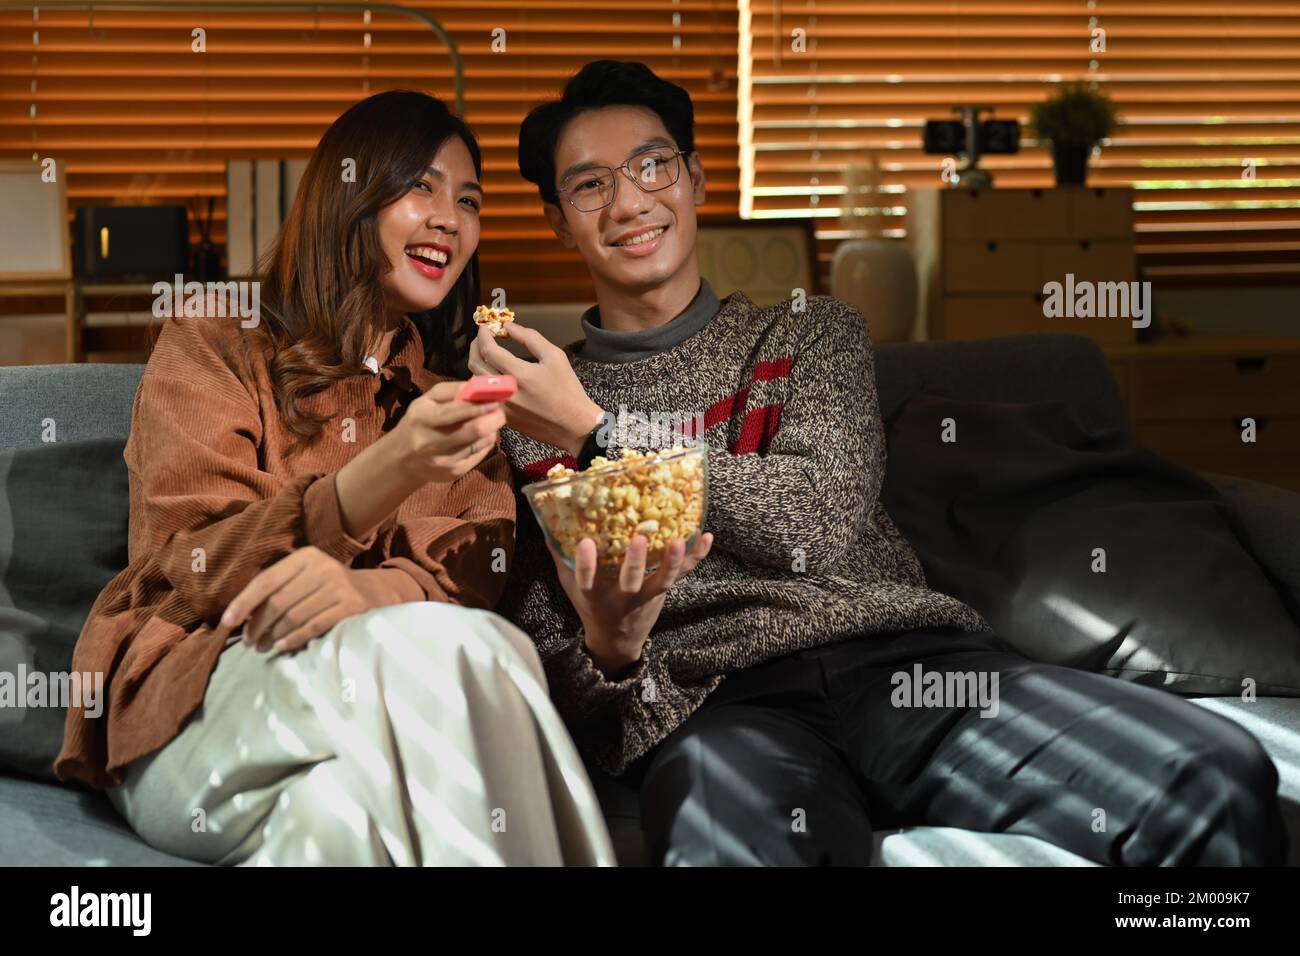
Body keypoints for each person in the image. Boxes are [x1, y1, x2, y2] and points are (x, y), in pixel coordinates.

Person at [468, 60, 1289, 866]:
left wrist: (600, 433)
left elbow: (818, 517)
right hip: (713, 706)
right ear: (557, 220)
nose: (630, 201)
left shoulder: (810, 336)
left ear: (697, 179)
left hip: (909, 668)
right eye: (590, 185)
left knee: (1211, 774)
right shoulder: (524, 412)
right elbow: (543, 654)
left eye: (653, 165)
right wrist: (612, 650)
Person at [54, 90, 615, 867]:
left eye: (470, 200)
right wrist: (381, 477)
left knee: (334, 820)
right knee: (476, 652)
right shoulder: (218, 337)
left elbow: (464, 578)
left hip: (360, 741)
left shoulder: (448, 401)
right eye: (421, 186)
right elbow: (186, 565)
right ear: (351, 196)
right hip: (196, 714)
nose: (450, 218)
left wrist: (366, 594)